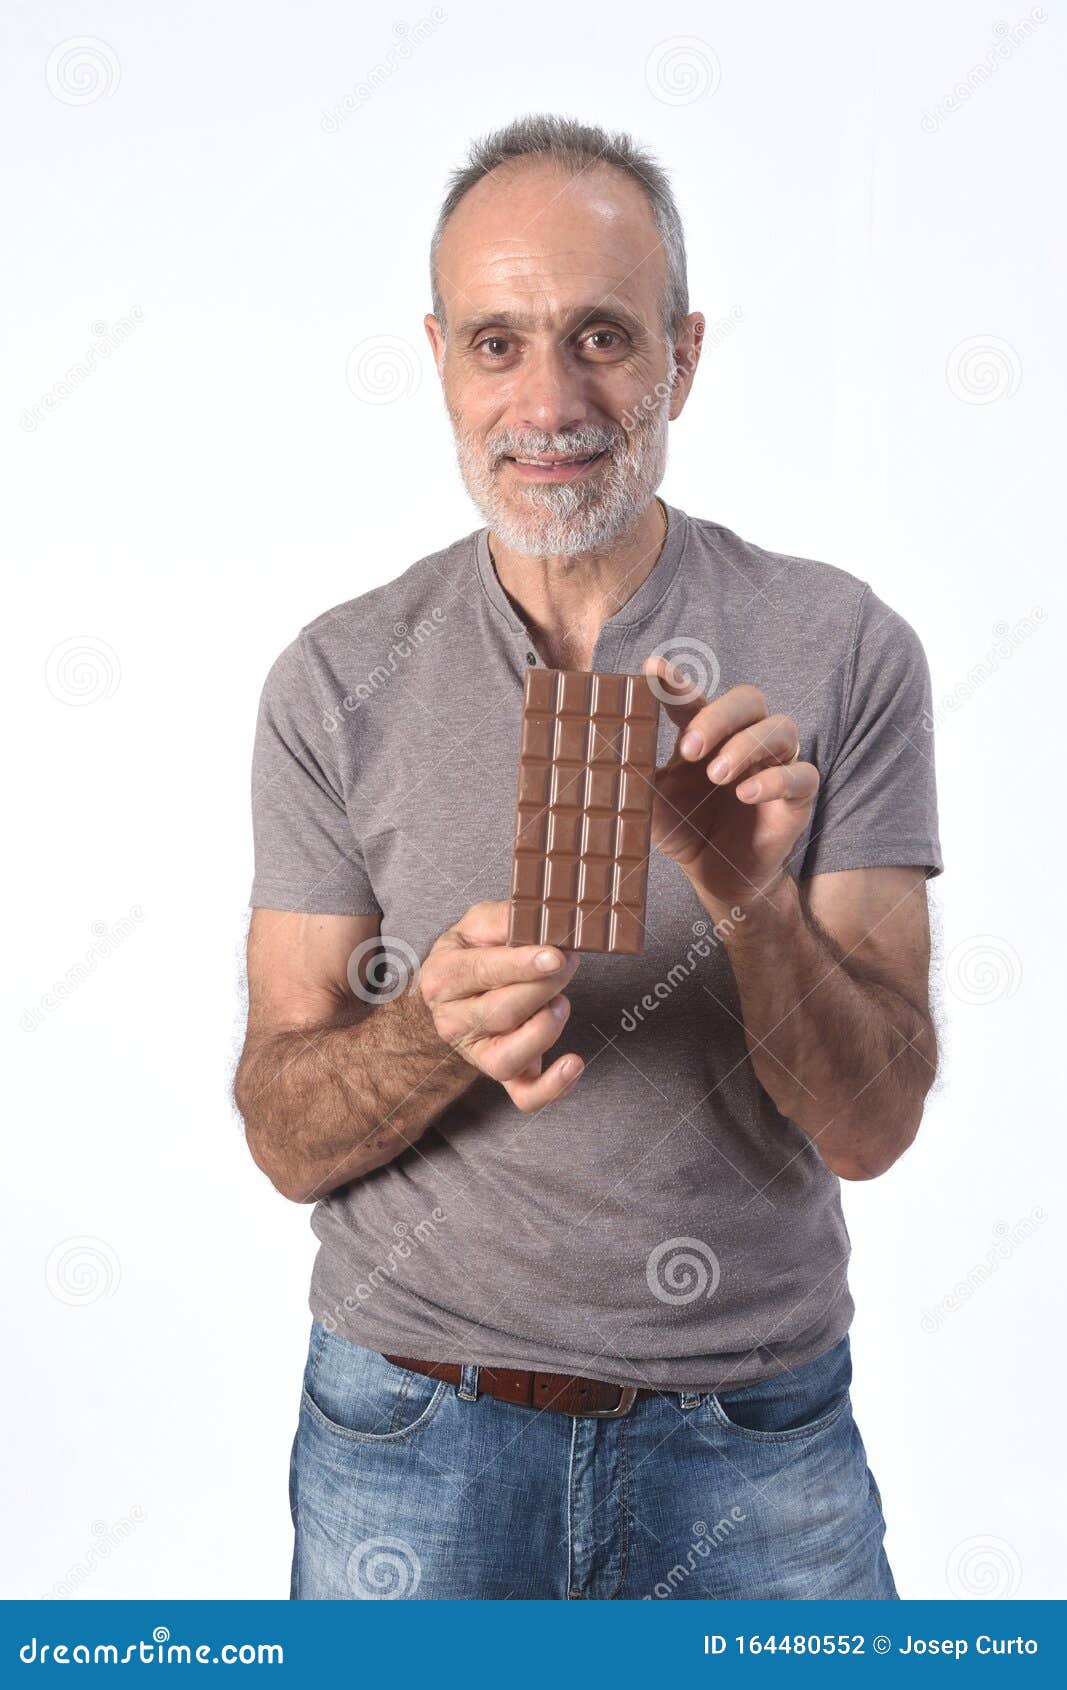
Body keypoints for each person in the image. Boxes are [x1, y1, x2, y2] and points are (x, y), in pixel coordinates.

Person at [234, 115, 942, 1601]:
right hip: (411, 1426)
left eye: (602, 337)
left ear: (683, 357)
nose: (549, 399)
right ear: (439, 358)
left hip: (758, 1439)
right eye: (499, 342)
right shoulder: (336, 677)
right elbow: (284, 1128)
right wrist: (428, 1033)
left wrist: (752, 898)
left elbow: (873, 1125)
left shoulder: (844, 646)